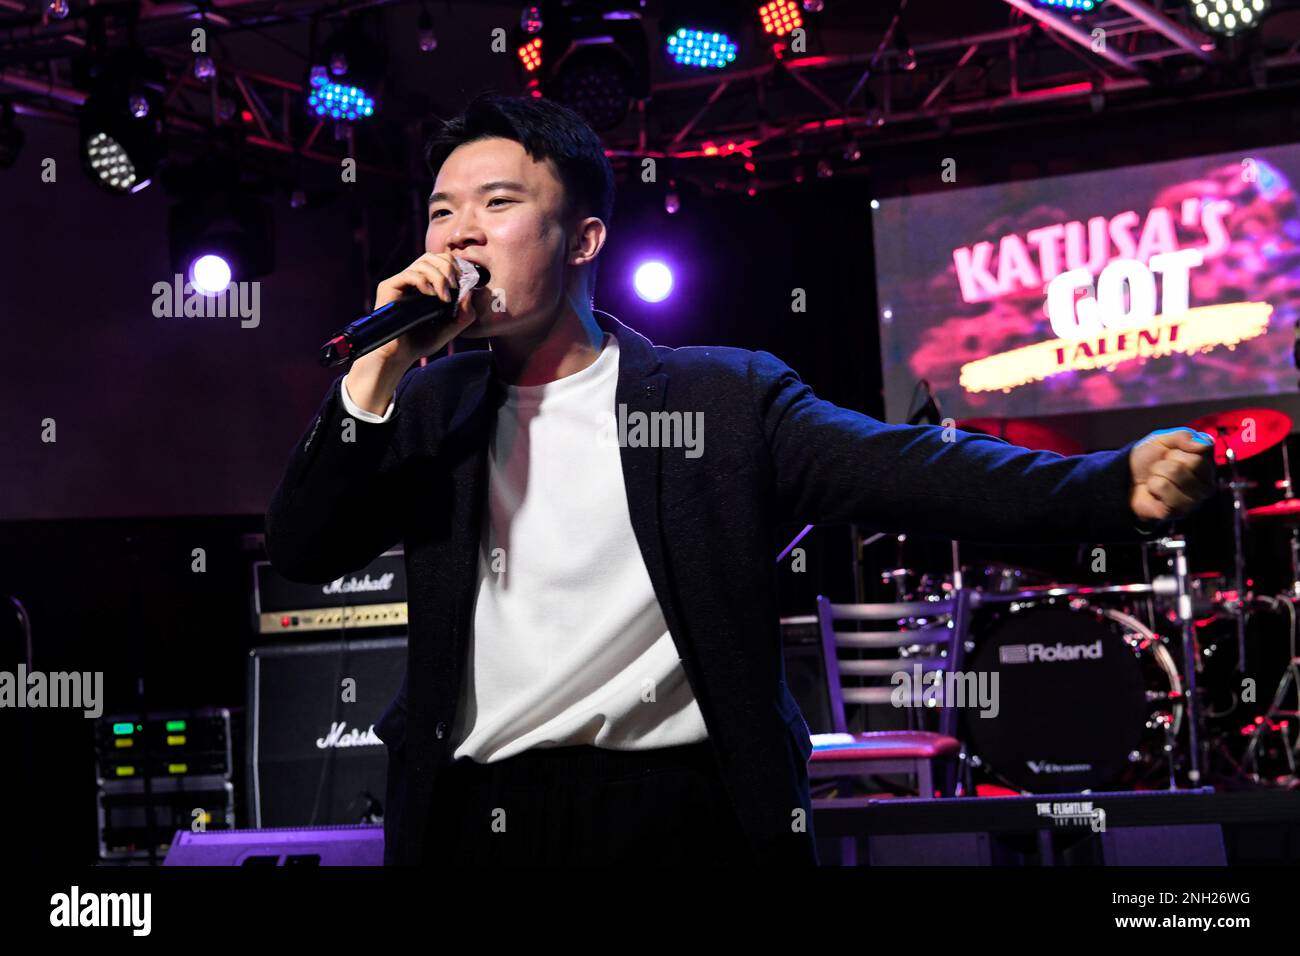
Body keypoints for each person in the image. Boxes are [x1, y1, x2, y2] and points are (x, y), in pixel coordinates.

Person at [265, 93, 1217, 866]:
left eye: (498, 204)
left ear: (584, 239)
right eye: (441, 211)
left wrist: (1103, 486)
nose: (459, 234)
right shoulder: (431, 409)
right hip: (474, 818)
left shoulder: (720, 399)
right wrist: (376, 373)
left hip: (673, 815)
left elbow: (914, 468)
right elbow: (307, 547)